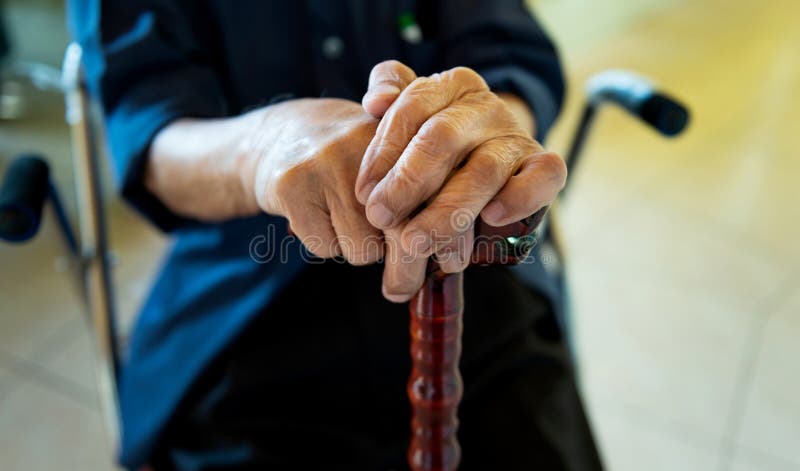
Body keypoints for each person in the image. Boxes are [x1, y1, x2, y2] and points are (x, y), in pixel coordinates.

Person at [69, 1, 603, 469]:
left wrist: (481, 139)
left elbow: (505, 52)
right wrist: (262, 146)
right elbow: (148, 127)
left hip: (472, 280)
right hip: (244, 309)